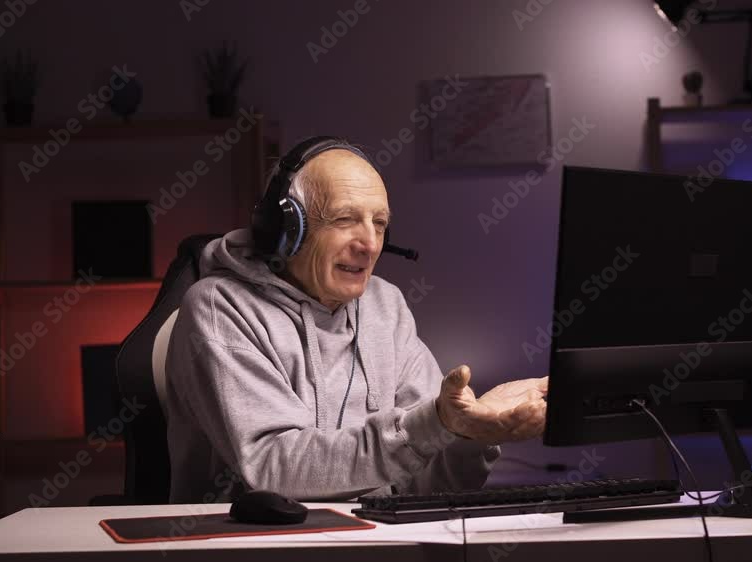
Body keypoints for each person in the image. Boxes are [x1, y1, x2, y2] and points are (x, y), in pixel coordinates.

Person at [165, 136, 548, 503]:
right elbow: (273, 470)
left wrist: (470, 433)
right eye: (345, 219)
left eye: (379, 223)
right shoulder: (220, 308)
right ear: (285, 229)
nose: (370, 244)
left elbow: (429, 484)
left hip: (372, 541)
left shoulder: (386, 307)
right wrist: (433, 424)